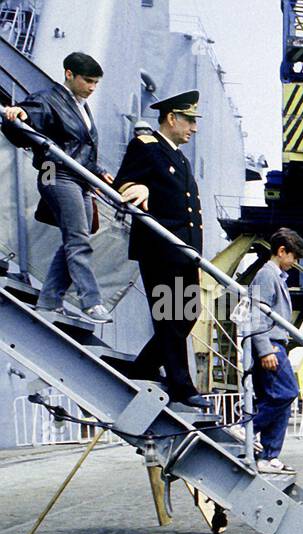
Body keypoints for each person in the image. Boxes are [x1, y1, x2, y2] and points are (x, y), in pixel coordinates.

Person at [2, 52, 129, 323]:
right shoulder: (49, 98)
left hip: (80, 179)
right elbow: (34, 112)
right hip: (55, 174)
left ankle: (49, 299)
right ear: (69, 74)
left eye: (96, 83)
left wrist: (99, 173)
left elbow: (79, 147)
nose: (92, 88)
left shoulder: (82, 105)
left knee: (76, 238)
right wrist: (20, 113)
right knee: (77, 239)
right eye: (88, 81)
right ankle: (90, 301)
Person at [114, 90, 209, 409]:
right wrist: (135, 187)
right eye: (190, 120)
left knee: (189, 313)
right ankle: (182, 385)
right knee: (170, 316)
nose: (194, 128)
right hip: (159, 249)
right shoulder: (147, 147)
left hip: (183, 253)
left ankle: (142, 366)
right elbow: (124, 183)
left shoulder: (179, 157)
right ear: (172, 118)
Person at [248, 228, 303, 474]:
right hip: (271, 345)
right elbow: (256, 313)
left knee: (278, 401)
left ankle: (269, 455)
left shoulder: (276, 277)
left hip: (276, 343)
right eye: (294, 257)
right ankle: (247, 428)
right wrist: (264, 350)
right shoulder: (266, 275)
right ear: (281, 251)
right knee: (287, 392)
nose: (294, 264)